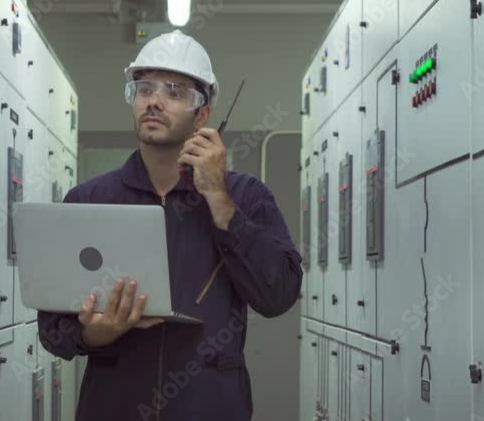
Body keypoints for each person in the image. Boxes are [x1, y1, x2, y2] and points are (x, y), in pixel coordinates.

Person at [37, 29, 303, 421]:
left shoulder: (246, 196)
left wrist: (218, 199)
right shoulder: (89, 200)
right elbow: (52, 329)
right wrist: (96, 333)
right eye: (145, 89)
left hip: (210, 406)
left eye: (175, 92)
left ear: (204, 114)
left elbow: (278, 294)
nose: (155, 102)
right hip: (114, 406)